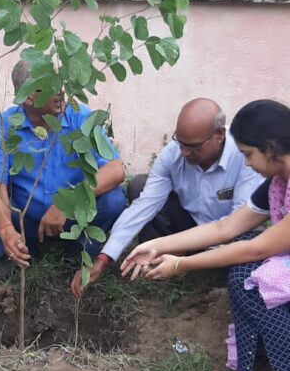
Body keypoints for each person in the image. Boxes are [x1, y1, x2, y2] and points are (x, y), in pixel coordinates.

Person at [121, 99, 290, 371]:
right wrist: (159, 245)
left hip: (281, 263)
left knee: (260, 275)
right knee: (243, 274)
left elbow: (260, 246)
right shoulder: (277, 183)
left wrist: (182, 264)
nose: (247, 164)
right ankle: (261, 362)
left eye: (248, 155)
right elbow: (225, 228)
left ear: (270, 147)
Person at [71, 97, 261, 298]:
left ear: (219, 135)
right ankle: (166, 256)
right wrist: (103, 258)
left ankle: (186, 258)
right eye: (180, 143)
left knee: (240, 270)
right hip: (189, 224)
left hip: (232, 233)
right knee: (139, 186)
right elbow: (144, 206)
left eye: (194, 147)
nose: (184, 153)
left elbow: (236, 224)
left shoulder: (245, 155)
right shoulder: (174, 154)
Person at [0, 60, 126, 266]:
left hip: (73, 220)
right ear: (29, 97)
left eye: (61, 83)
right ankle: (13, 254)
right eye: (52, 86)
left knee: (114, 200)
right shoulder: (4, 126)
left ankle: (78, 253)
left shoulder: (80, 117)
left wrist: (66, 204)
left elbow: (115, 170)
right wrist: (6, 229)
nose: (62, 91)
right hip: (24, 219)